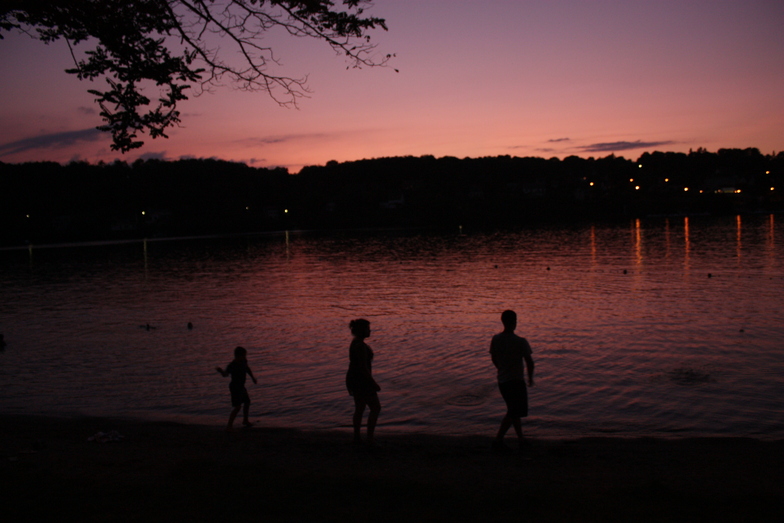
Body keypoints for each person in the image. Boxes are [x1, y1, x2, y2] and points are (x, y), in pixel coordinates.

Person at [490, 310, 535, 453]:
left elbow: (494, 358)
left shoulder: (496, 339)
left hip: (502, 382)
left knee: (514, 410)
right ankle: (498, 439)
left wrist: (500, 369)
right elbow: (529, 362)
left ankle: (520, 438)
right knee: (514, 411)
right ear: (515, 322)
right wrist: (530, 378)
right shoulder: (520, 342)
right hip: (516, 382)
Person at [345, 319, 381, 446]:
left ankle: (357, 438)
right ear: (361, 330)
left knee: (360, 408)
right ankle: (369, 438)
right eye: (367, 328)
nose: (369, 330)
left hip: (354, 379)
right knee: (376, 408)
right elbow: (363, 368)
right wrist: (373, 383)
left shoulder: (356, 343)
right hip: (361, 380)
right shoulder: (359, 346)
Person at [216, 346, 258, 431]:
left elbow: (247, 369)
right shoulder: (232, 365)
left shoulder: (244, 361)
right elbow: (225, 375)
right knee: (238, 407)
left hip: (241, 386)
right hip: (235, 387)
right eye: (243, 355)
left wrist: (253, 378)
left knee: (247, 402)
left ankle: (245, 420)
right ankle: (229, 425)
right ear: (238, 356)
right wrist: (221, 371)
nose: (245, 357)